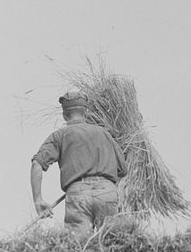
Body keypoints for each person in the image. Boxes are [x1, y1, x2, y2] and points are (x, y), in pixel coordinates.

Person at [31, 90, 128, 237]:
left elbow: (36, 165)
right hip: (106, 192)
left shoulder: (59, 136)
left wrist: (38, 199)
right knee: (111, 244)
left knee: (79, 248)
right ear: (86, 112)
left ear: (64, 115)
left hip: (78, 194)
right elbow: (123, 169)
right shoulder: (105, 133)